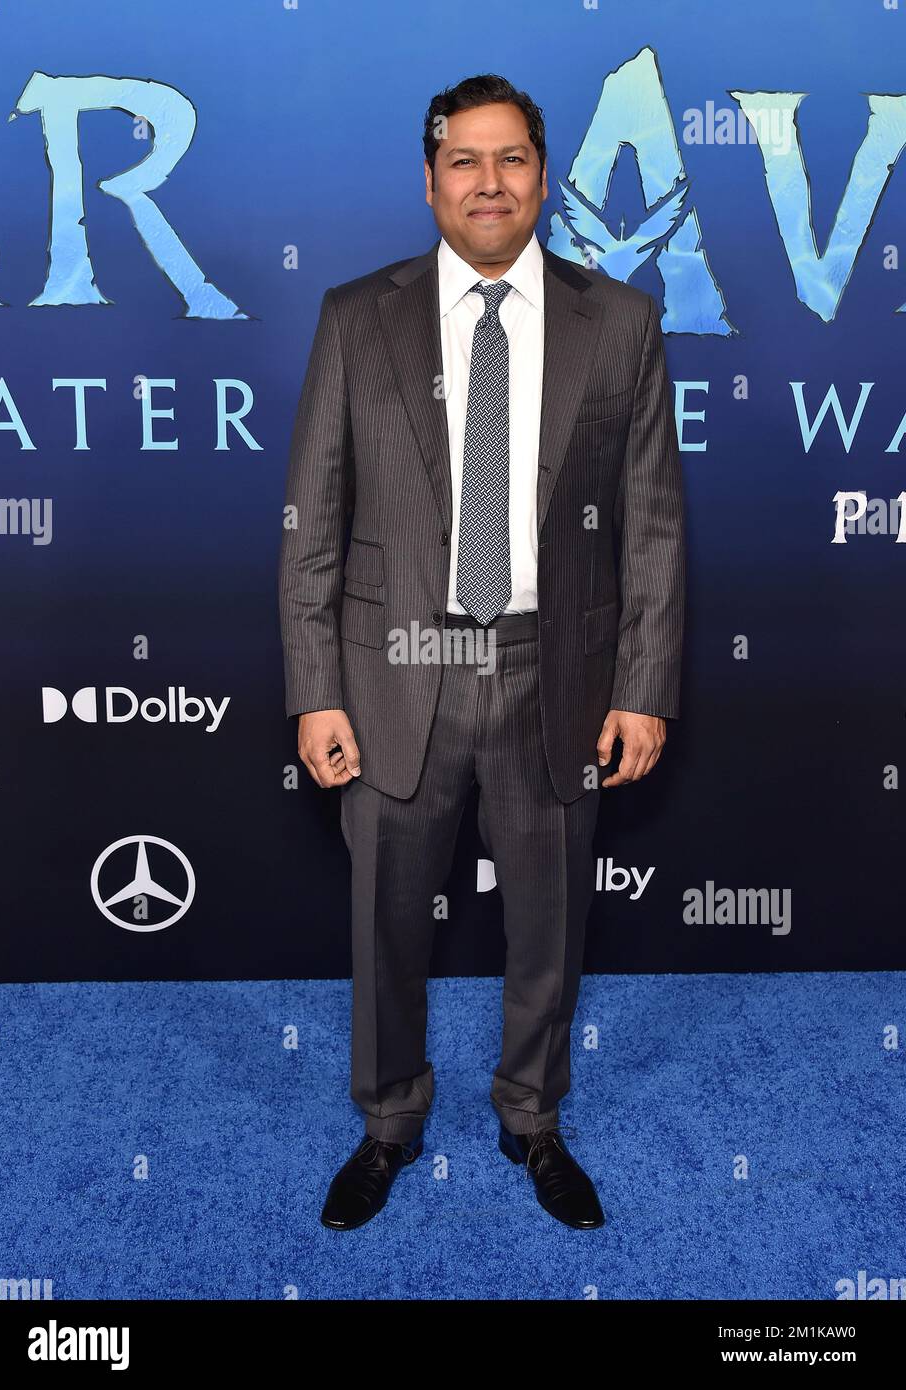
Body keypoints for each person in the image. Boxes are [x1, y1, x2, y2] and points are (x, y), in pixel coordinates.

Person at [278, 73, 685, 1232]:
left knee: (548, 922)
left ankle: (532, 1115)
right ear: (429, 180)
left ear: (543, 180)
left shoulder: (621, 322)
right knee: (383, 926)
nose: (488, 182)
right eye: (465, 160)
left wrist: (644, 688)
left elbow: (649, 523)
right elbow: (311, 518)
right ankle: (388, 1121)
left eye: (511, 160)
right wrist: (316, 691)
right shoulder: (359, 318)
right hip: (390, 672)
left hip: (553, 674)